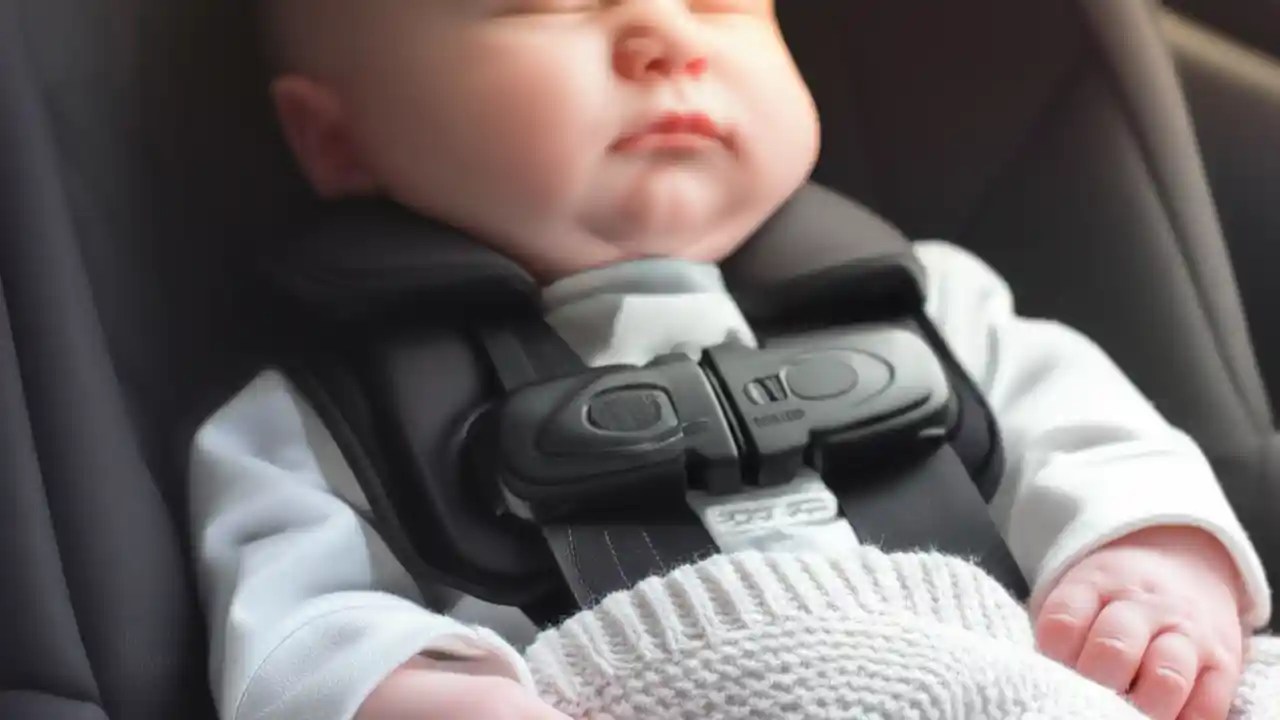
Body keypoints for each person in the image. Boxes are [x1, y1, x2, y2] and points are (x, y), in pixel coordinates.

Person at [189, 2, 1272, 719]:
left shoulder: (929, 300)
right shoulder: (329, 413)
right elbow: (296, 624)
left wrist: (1151, 557)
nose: (665, 37)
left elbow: (1101, 444)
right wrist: (408, 689)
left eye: (721, 2)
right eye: (546, 3)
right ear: (334, 139)